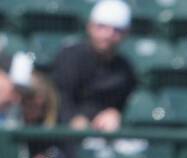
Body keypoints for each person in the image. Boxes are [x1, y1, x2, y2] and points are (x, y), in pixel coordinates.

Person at [50, 0, 137, 133]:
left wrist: (115, 114)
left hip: (104, 137)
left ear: (126, 34)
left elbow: (123, 104)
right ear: (89, 26)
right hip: (63, 135)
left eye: (117, 30)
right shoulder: (69, 57)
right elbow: (58, 97)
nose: (108, 34)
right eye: (102, 27)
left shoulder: (125, 69)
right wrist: (73, 120)